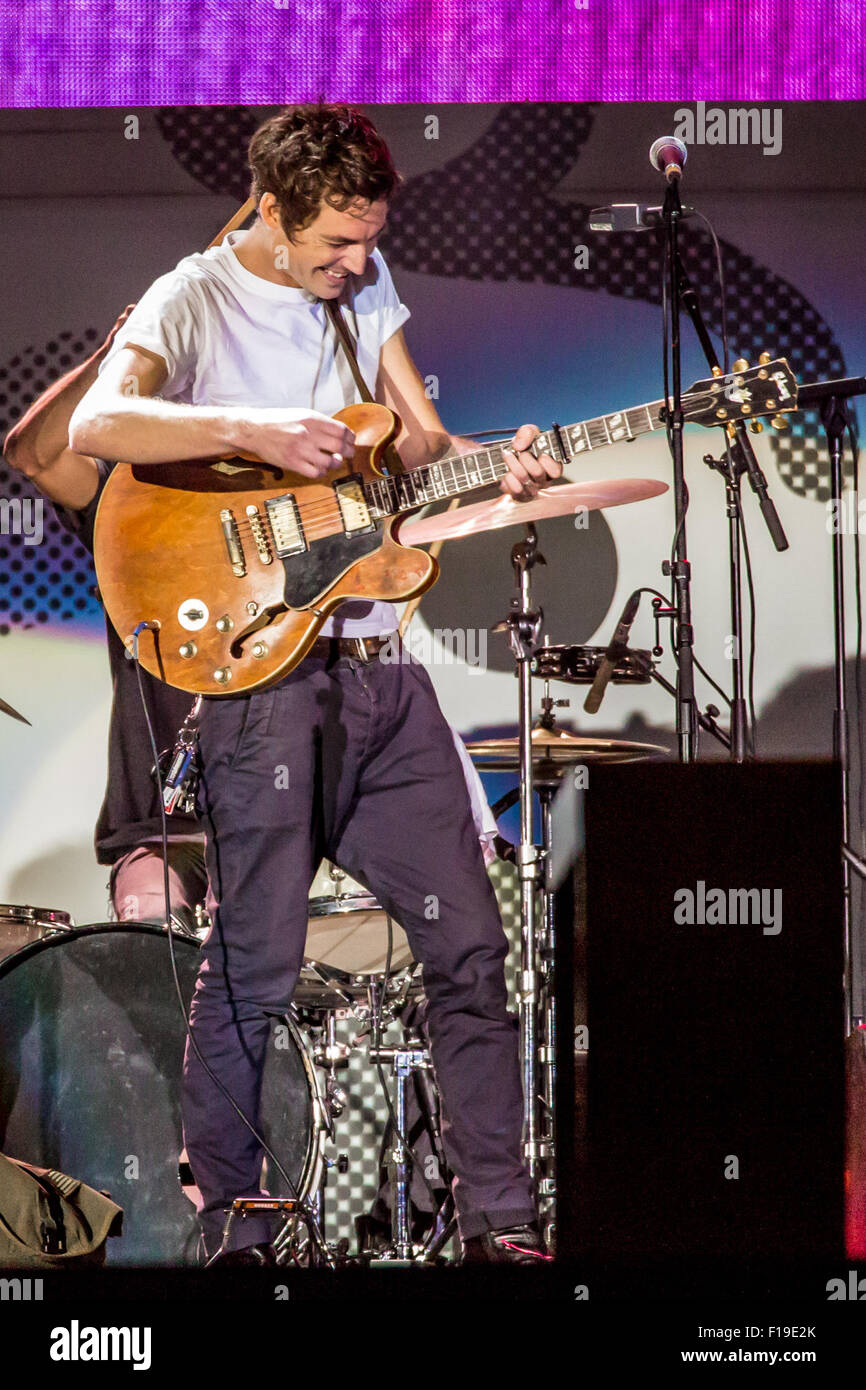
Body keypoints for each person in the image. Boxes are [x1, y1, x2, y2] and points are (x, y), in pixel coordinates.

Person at [68, 104, 562, 1264]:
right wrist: (262, 430)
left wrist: (512, 463)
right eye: (333, 246)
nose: (353, 265)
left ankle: (502, 1221)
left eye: (366, 242)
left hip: (381, 680)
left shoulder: (366, 285)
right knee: (254, 961)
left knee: (470, 948)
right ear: (276, 213)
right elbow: (97, 421)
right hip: (263, 686)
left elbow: (428, 453)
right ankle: (236, 1226)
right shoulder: (192, 292)